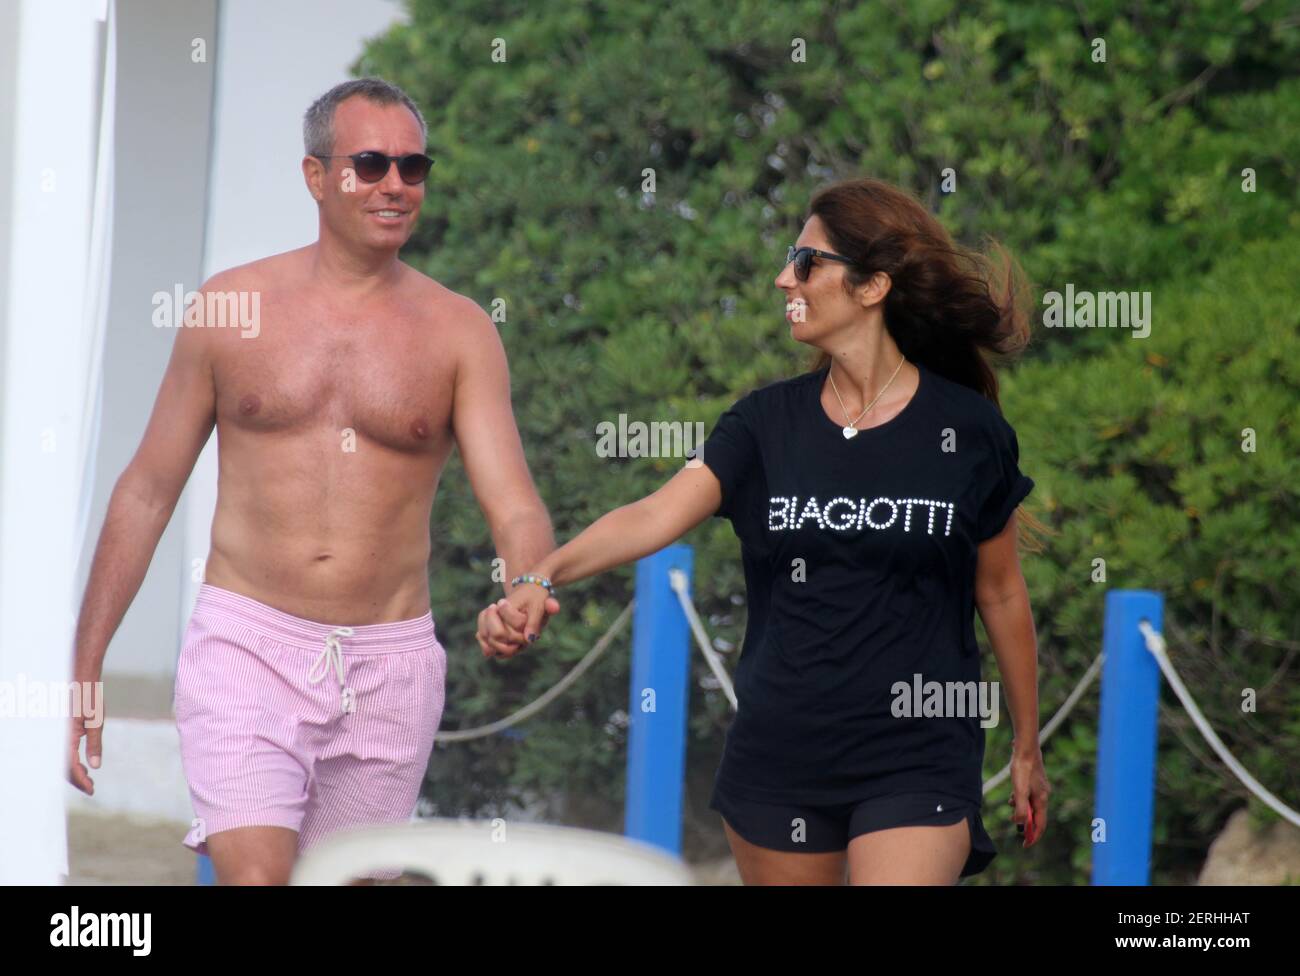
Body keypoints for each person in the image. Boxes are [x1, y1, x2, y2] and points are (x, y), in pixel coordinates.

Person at [478, 177, 1050, 885]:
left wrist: (1027, 745)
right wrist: (541, 574)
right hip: (782, 752)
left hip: (919, 754)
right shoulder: (764, 425)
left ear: (873, 287)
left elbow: (1000, 594)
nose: (785, 278)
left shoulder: (968, 431)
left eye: (807, 262)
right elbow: (655, 513)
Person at [67, 77, 557, 885]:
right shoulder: (231, 308)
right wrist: (85, 664)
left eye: (413, 166)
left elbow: (514, 503)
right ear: (316, 175)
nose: (396, 185)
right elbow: (148, 489)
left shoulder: (461, 330)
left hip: (391, 661)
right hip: (247, 643)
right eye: (370, 164)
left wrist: (529, 579)